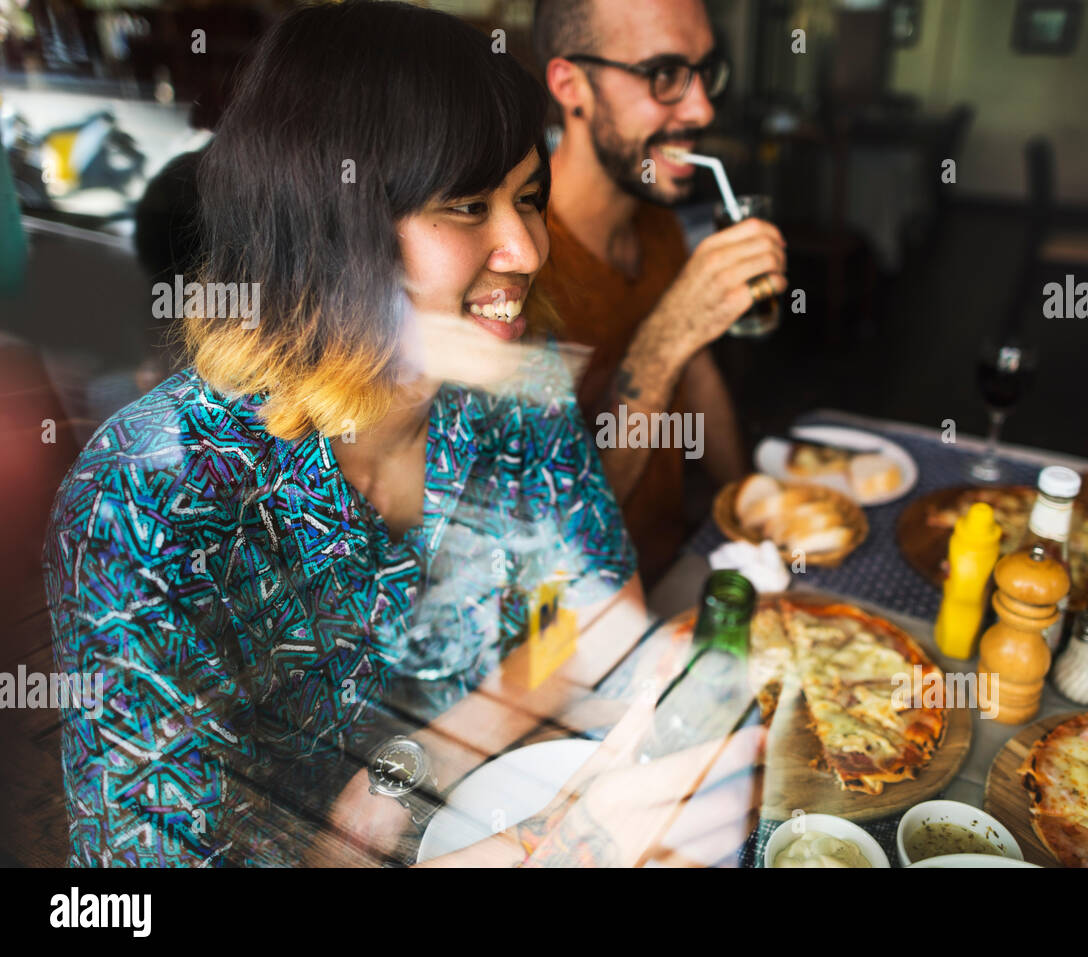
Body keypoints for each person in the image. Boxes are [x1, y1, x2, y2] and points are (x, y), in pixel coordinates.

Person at [44, 1, 759, 869]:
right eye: (466, 207)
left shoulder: (514, 389)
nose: (527, 250)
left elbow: (598, 619)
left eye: (526, 199)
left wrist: (397, 777)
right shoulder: (148, 495)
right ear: (328, 227)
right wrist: (560, 838)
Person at [532, 0, 788, 585]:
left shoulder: (657, 221)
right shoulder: (518, 266)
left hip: (680, 566)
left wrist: (754, 517)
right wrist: (667, 335)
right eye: (664, 75)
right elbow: (557, 538)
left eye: (704, 73)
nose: (701, 107)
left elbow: (696, 374)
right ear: (572, 85)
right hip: (583, 615)